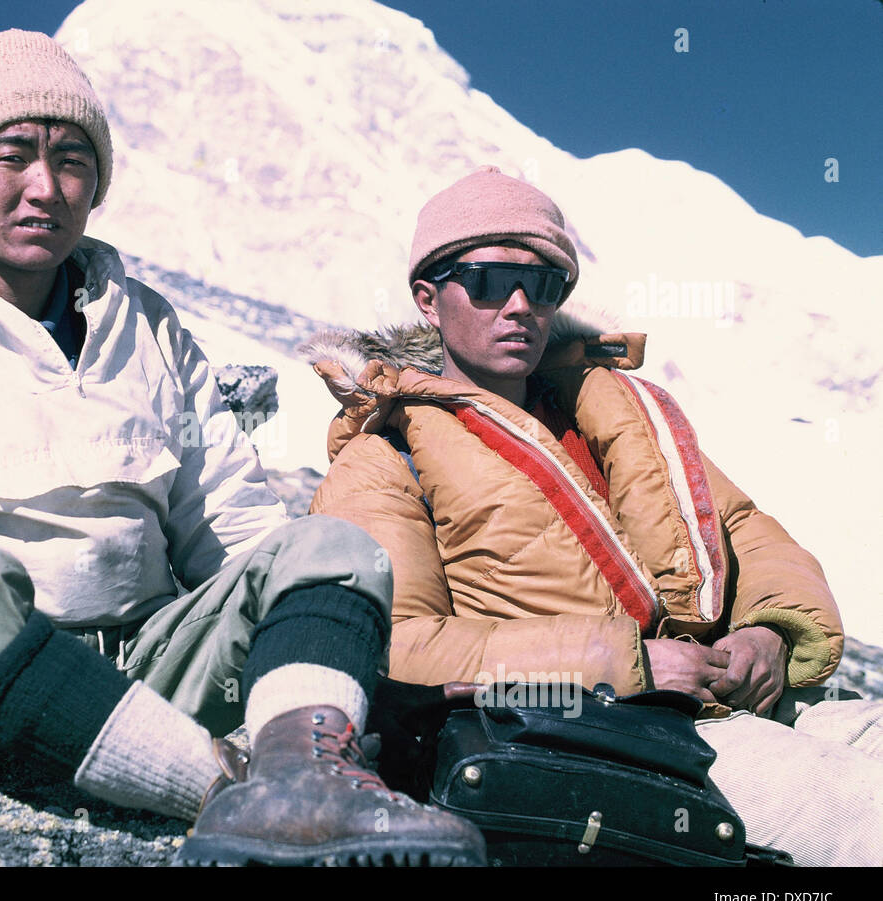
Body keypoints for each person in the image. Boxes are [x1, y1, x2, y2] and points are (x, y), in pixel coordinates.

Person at [0, 29, 484, 867]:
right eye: (13, 156)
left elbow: (233, 529)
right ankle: (228, 790)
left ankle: (301, 779)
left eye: (74, 162)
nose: (45, 189)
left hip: (153, 667)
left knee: (333, 547)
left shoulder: (150, 330)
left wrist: (306, 641)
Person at [305, 165, 883, 865]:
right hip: (604, 739)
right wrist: (625, 663)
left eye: (543, 283)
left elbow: (750, 533)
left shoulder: (619, 418)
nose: (518, 304)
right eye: (487, 280)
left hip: (733, 705)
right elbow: (402, 645)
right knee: (866, 814)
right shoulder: (386, 454)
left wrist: (771, 633)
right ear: (429, 298)